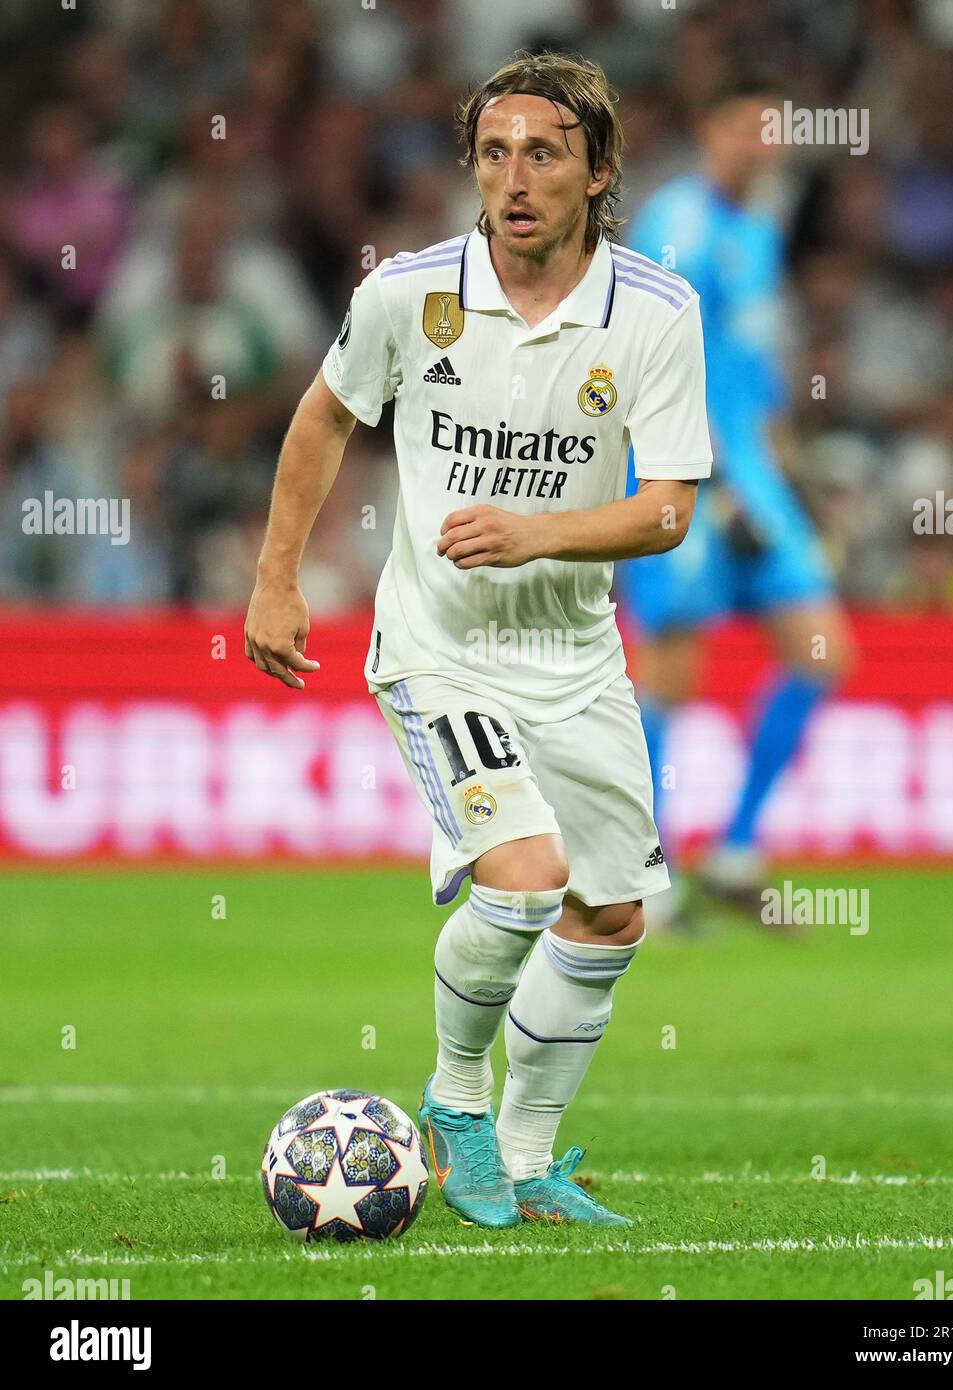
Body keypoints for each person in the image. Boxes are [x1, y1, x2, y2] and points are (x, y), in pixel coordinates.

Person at [244, 54, 712, 1228]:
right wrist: (275, 579)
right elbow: (323, 414)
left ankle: (525, 1150)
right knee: (524, 880)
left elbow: (666, 510)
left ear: (596, 172)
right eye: (493, 153)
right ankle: (453, 1101)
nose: (513, 177)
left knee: (607, 915)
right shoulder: (408, 293)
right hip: (437, 649)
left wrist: (537, 533)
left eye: (542, 153)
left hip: (576, 657)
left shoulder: (654, 312)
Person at [621, 78, 854, 924]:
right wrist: (710, 488)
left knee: (825, 654)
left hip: (754, 477)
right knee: (673, 672)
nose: (763, 141)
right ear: (708, 127)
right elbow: (648, 357)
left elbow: (749, 373)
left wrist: (783, 479)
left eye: (776, 127)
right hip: (679, 475)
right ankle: (649, 874)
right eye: (747, 123)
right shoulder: (677, 222)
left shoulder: (758, 234)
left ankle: (734, 851)